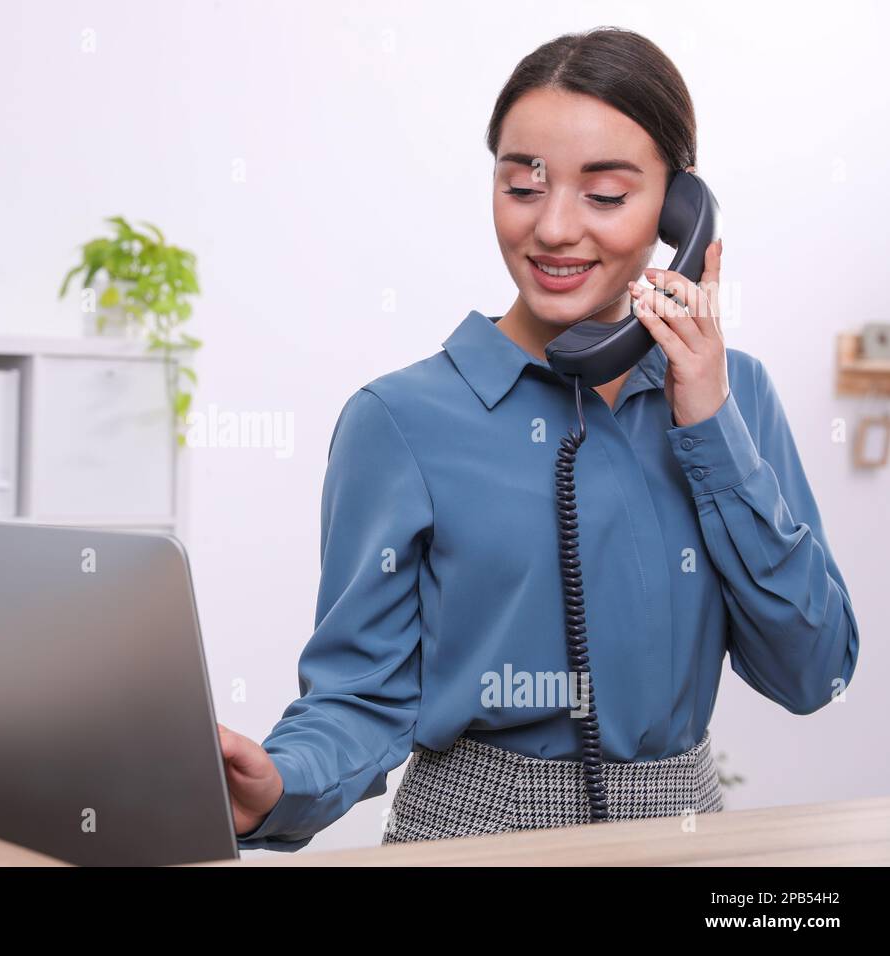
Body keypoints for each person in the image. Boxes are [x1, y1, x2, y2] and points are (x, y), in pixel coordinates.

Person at [218, 26, 859, 852]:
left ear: (680, 211)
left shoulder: (737, 397)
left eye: (604, 194)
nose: (555, 229)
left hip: (689, 834)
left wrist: (711, 427)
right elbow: (359, 697)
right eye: (524, 186)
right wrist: (280, 784)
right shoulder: (398, 419)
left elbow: (813, 672)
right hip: (471, 836)